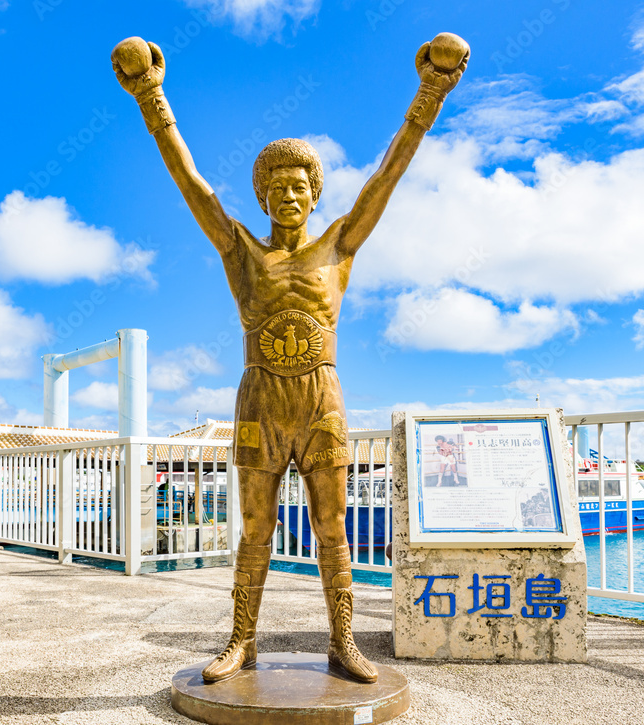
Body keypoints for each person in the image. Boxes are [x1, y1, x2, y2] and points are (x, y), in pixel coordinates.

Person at [113, 35, 468, 684]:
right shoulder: (241, 250)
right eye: (274, 185)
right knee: (254, 527)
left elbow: (388, 174)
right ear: (262, 196)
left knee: (333, 526)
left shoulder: (340, 245)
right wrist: (151, 98)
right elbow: (189, 181)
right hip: (260, 397)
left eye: (299, 184)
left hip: (321, 399)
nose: (287, 194)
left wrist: (429, 94)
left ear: (314, 193)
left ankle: (344, 642)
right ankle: (240, 640)